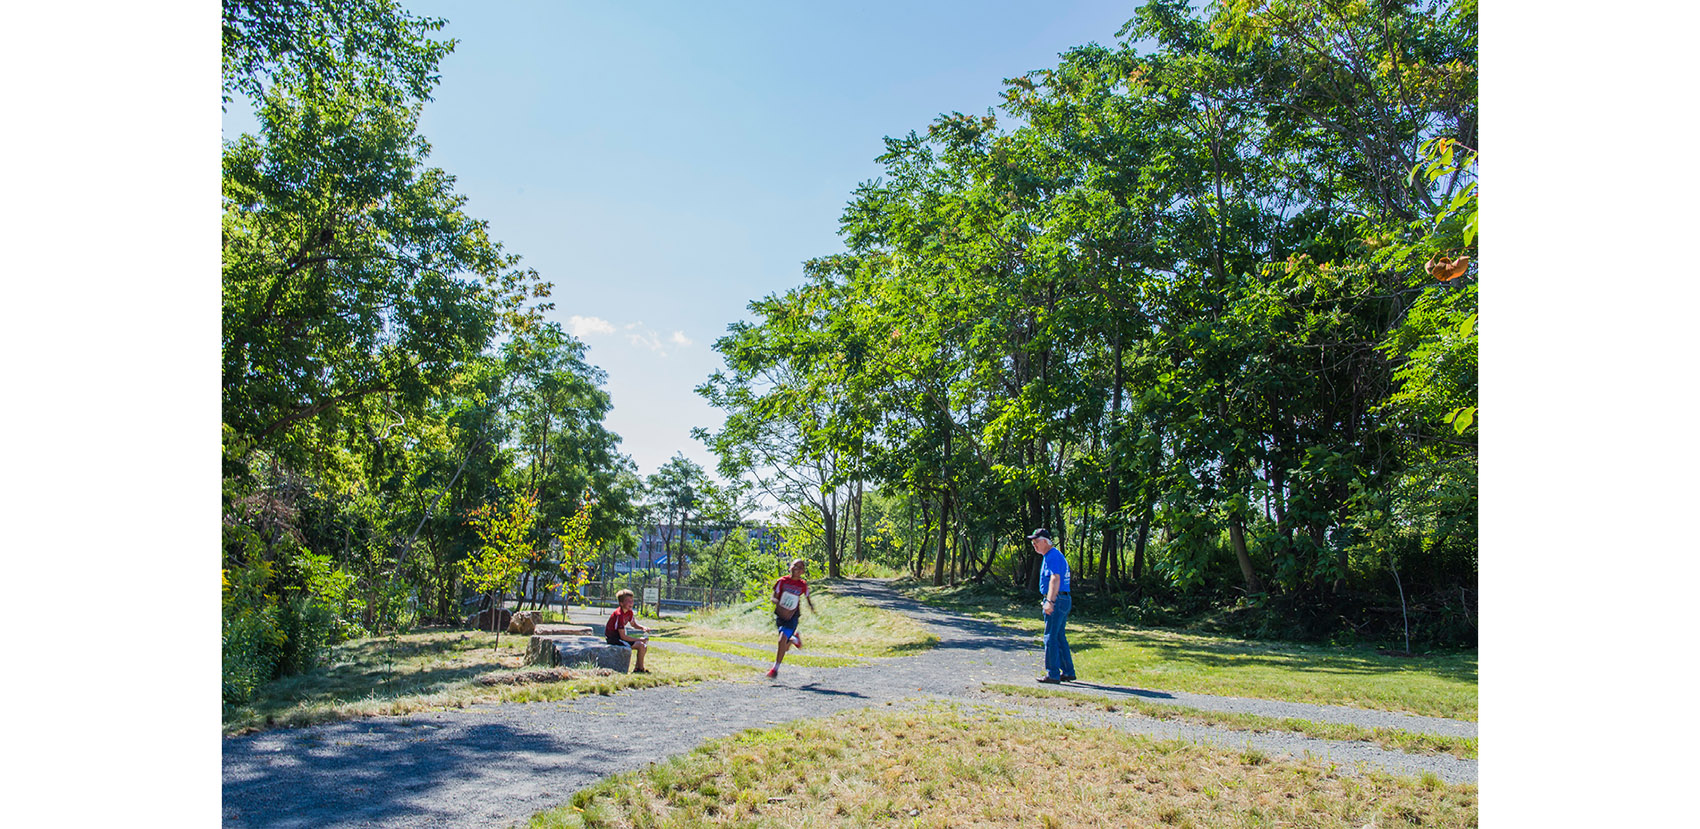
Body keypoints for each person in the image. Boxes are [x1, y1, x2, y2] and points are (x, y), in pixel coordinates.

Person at [1029, 528, 1076, 683]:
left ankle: (1053, 673)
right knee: (1059, 636)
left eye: (1036, 542)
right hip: (1063, 599)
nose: (1034, 545)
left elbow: (1055, 579)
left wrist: (1050, 601)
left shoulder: (1052, 556)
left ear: (1045, 541)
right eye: (1033, 542)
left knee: (1050, 637)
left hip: (1057, 599)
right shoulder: (1052, 555)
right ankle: (1068, 671)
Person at [765, 558, 817, 679]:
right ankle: (794, 639)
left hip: (792, 616)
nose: (796, 569)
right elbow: (774, 596)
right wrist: (776, 601)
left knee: (781, 640)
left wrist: (812, 609)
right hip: (781, 615)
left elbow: (808, 598)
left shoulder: (802, 585)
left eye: (800, 568)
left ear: (803, 571)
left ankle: (774, 670)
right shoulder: (782, 581)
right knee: (785, 645)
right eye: (794, 566)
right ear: (790, 567)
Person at [605, 589, 651, 673]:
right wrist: (639, 639)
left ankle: (638, 668)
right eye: (627, 601)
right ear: (621, 603)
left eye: (632, 601)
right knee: (641, 645)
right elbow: (623, 636)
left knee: (643, 645)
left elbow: (633, 624)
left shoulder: (629, 612)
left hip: (620, 638)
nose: (631, 603)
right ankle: (640, 669)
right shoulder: (619, 615)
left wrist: (643, 628)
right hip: (614, 639)